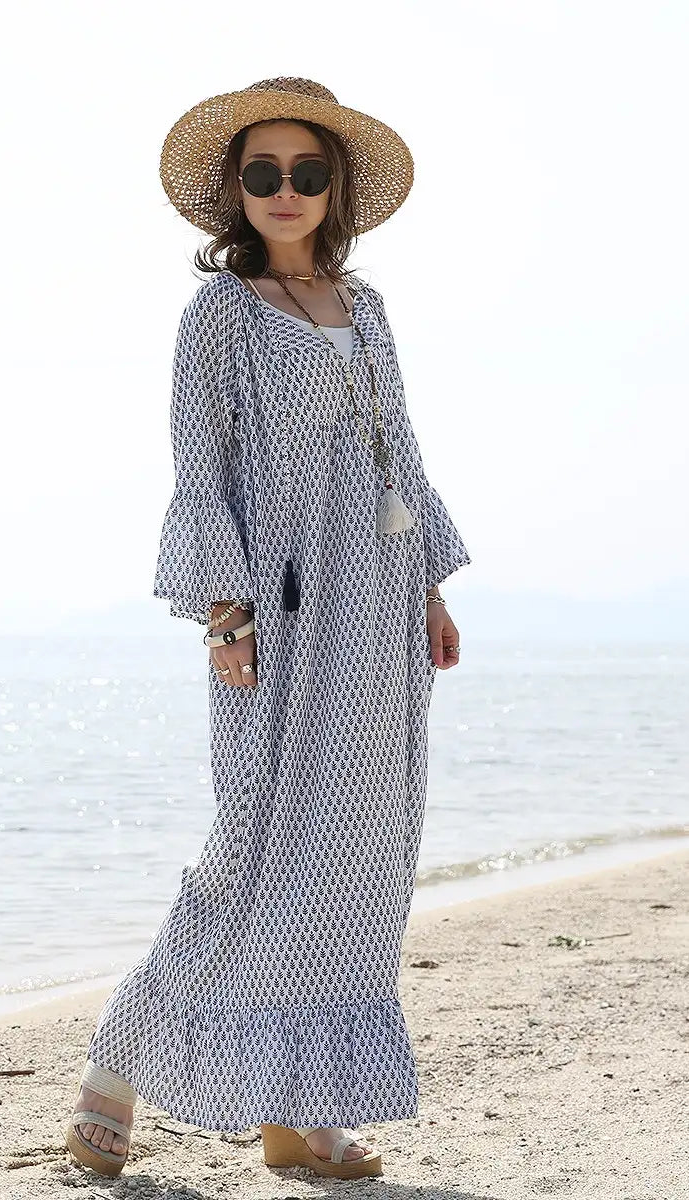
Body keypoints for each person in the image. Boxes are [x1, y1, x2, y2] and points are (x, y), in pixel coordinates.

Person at [63, 76, 471, 1182]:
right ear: (234, 192)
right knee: (250, 857)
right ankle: (113, 1073)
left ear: (334, 188)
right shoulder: (220, 314)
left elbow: (400, 451)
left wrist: (430, 588)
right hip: (278, 610)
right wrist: (224, 617)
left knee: (358, 859)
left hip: (377, 607)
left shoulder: (367, 306)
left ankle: (299, 1114)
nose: (284, 189)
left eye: (306, 171)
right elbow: (201, 468)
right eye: (262, 172)